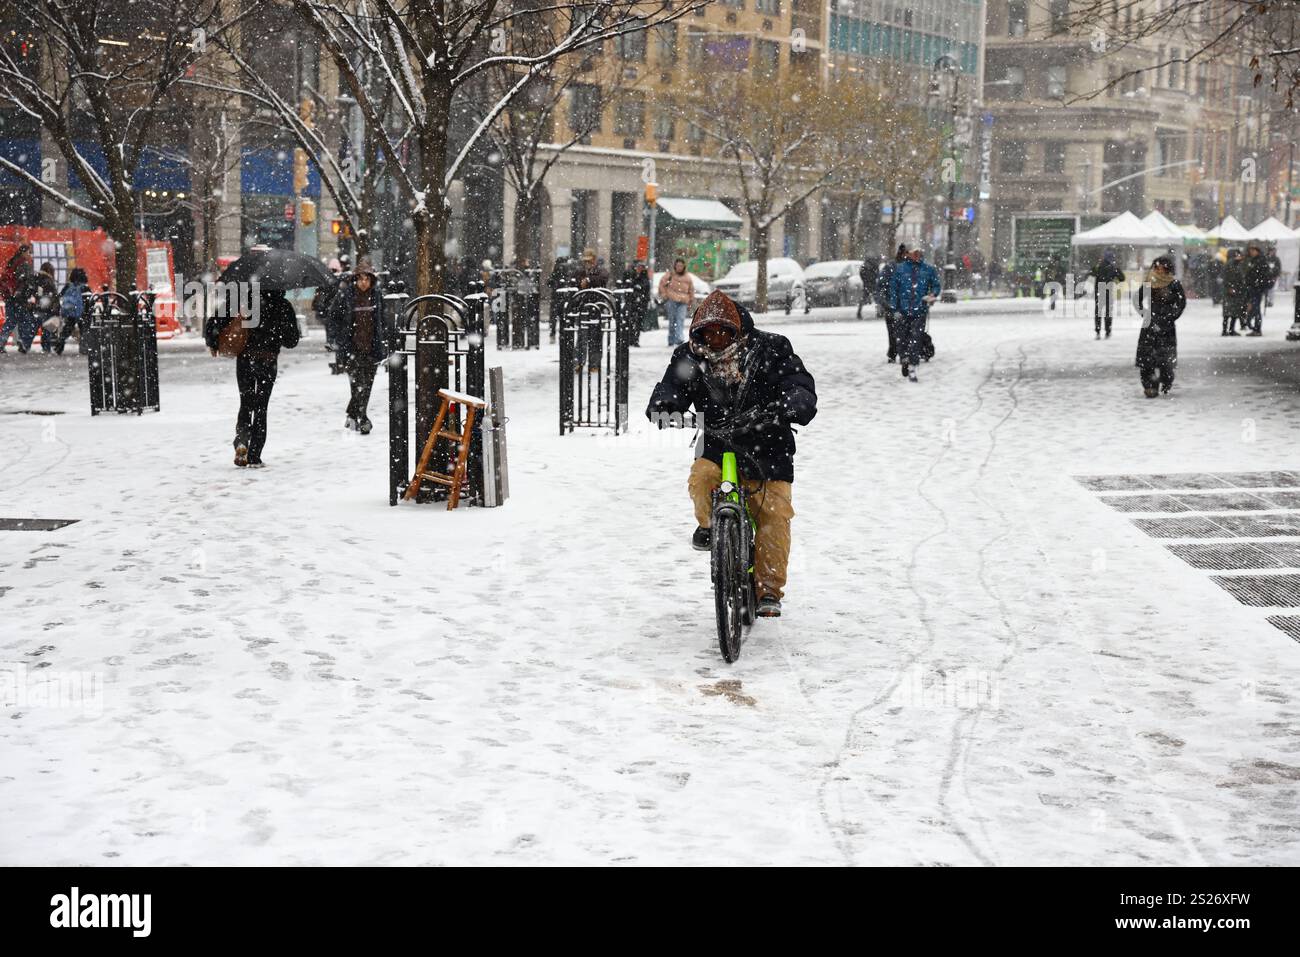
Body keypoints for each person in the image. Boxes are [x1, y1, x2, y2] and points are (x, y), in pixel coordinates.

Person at [645, 290, 817, 618]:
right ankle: (711, 525)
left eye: (723, 332)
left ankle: (768, 588)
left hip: (767, 446)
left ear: (738, 330)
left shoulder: (771, 349)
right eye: (708, 333)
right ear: (698, 333)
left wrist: (790, 405)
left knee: (773, 514)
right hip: (717, 441)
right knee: (702, 478)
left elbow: (799, 385)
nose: (716, 339)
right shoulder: (689, 357)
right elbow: (671, 389)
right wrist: (664, 406)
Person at [206, 288, 301, 467]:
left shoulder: (241, 300)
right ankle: (255, 455)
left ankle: (242, 440)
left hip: (245, 360)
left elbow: (214, 321)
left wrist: (212, 341)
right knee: (261, 407)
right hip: (268, 360)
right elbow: (292, 341)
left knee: (246, 402)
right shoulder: (283, 305)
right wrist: (278, 332)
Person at [328, 259, 388, 434]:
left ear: (371, 280)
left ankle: (353, 414)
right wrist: (337, 339)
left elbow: (382, 320)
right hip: (351, 348)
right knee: (357, 385)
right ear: (355, 279)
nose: (363, 282)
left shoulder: (377, 296)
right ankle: (362, 419)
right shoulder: (346, 296)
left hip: (371, 347)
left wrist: (383, 339)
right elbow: (333, 318)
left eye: (367, 279)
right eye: (360, 278)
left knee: (367, 385)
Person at [1135, 256, 1186, 398]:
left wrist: (1172, 316)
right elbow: (1137, 299)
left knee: (1166, 361)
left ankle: (1166, 381)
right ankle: (1150, 386)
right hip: (1150, 326)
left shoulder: (1174, 284)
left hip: (1167, 327)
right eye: (1156, 267)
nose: (1159, 270)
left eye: (1162, 267)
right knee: (1146, 360)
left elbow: (1181, 303)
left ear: (1168, 268)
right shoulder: (1149, 282)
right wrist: (1145, 315)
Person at [890, 244, 941, 382]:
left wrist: (932, 295)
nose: (917, 255)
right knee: (901, 338)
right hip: (902, 310)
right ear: (908, 254)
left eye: (919, 252)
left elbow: (936, 285)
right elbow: (894, 290)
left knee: (916, 338)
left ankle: (912, 367)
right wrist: (894, 309)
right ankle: (905, 359)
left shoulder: (928, 269)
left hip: (920, 310)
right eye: (914, 252)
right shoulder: (900, 270)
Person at [0, 244, 34, 353]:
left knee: (10, 321)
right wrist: (27, 295)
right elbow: (25, 282)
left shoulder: (12, 262)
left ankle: (1, 342)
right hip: (19, 298)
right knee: (25, 320)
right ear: (24, 252)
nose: (29, 255)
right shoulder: (24, 264)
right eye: (29, 252)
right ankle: (23, 343)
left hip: (9, 296)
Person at [876, 244, 907, 362]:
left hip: (893, 304)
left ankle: (894, 352)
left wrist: (883, 301)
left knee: (893, 331)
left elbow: (881, 285)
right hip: (897, 304)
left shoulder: (890, 267)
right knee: (901, 330)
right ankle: (899, 352)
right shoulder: (903, 267)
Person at [657, 257, 695, 346]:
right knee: (672, 321)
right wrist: (664, 295)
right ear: (675, 266)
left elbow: (691, 290)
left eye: (681, 266)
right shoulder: (670, 275)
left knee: (680, 320)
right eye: (678, 265)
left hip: (683, 301)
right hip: (672, 300)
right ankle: (671, 339)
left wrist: (691, 300)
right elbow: (662, 284)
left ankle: (679, 338)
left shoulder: (688, 277)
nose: (679, 267)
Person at [1088, 249, 1125, 339]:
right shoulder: (1113, 267)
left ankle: (1098, 332)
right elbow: (1122, 278)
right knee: (1108, 312)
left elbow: (1091, 273)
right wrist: (1116, 275)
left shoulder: (1099, 266)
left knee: (1098, 312)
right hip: (1108, 291)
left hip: (1099, 292)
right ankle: (1108, 332)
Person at [54, 267, 90, 355]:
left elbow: (60, 295)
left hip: (70, 312)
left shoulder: (68, 286)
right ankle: (84, 349)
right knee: (84, 330)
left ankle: (59, 346)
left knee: (67, 329)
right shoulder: (85, 287)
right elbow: (90, 299)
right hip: (83, 312)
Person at [313, 258, 344, 350]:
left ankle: (331, 342)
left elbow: (320, 293)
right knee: (333, 325)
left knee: (331, 325)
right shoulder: (338, 280)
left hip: (329, 307)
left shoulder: (326, 279)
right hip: (332, 307)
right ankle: (332, 342)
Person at [1243, 243, 1271, 336]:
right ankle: (1254, 327)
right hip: (1254, 288)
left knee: (1256, 309)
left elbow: (1262, 275)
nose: (1251, 252)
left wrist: (1258, 285)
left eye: (1253, 251)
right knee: (1254, 309)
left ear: (1257, 251)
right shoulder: (1255, 260)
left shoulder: (1260, 261)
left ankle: (1256, 328)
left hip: (1256, 288)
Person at [31, 262, 59, 352]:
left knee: (35, 326)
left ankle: (25, 342)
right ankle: (46, 347)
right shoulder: (48, 280)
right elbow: (53, 295)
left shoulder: (37, 278)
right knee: (47, 328)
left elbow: (36, 292)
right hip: (47, 307)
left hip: (39, 306)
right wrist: (56, 306)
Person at [1221, 248, 1246, 336]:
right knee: (1231, 312)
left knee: (1230, 312)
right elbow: (1229, 277)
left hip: (1234, 290)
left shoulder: (1234, 264)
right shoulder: (1231, 264)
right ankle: (1229, 330)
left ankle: (1227, 330)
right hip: (1232, 291)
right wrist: (1230, 287)